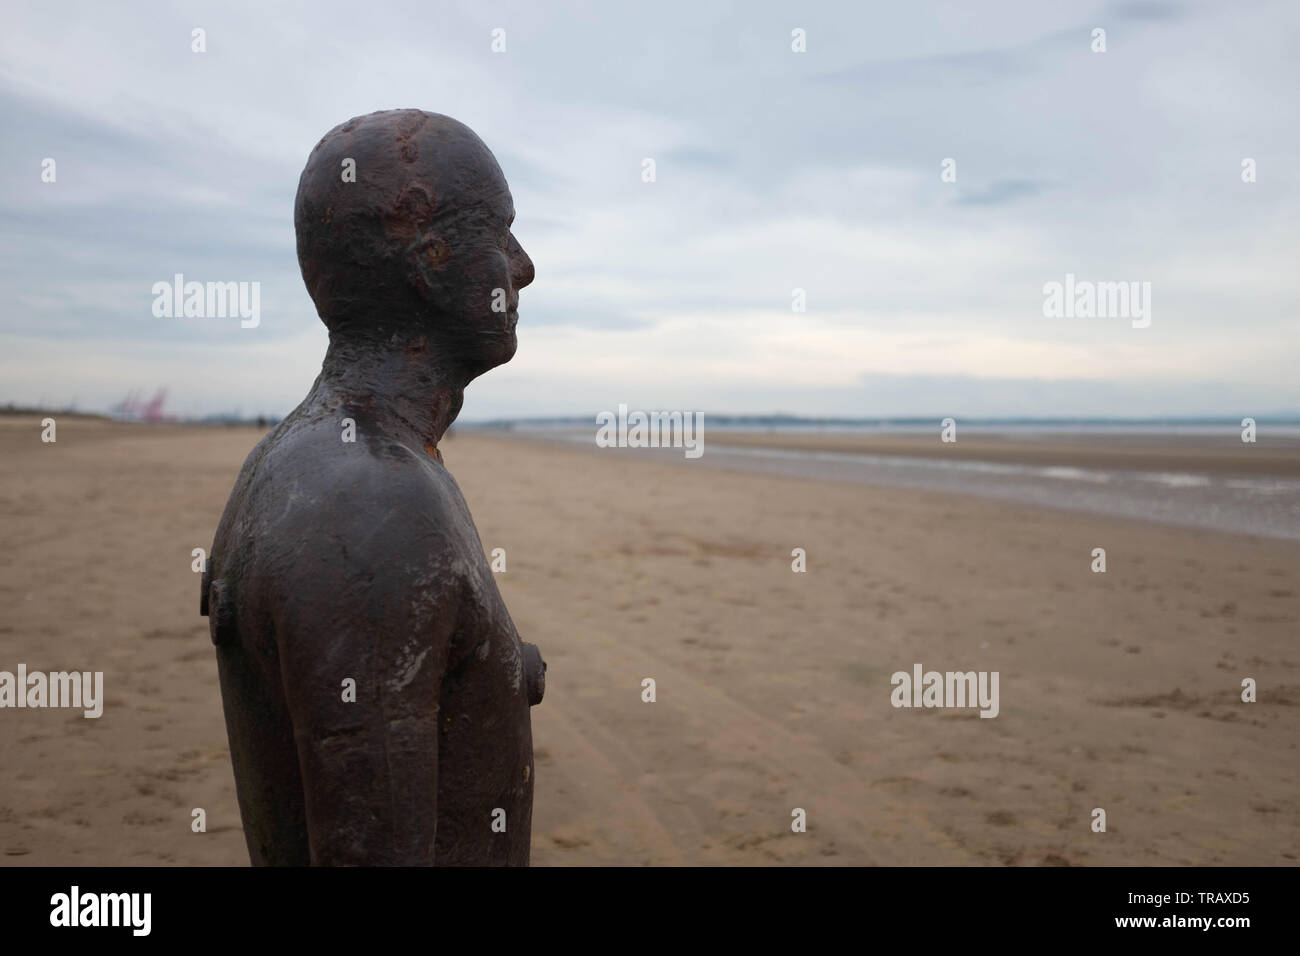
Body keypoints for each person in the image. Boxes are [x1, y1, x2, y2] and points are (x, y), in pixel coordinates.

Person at [202, 110, 543, 865]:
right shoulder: (373, 505)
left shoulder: (301, 459)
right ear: (431, 261)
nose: (523, 267)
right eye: (502, 235)